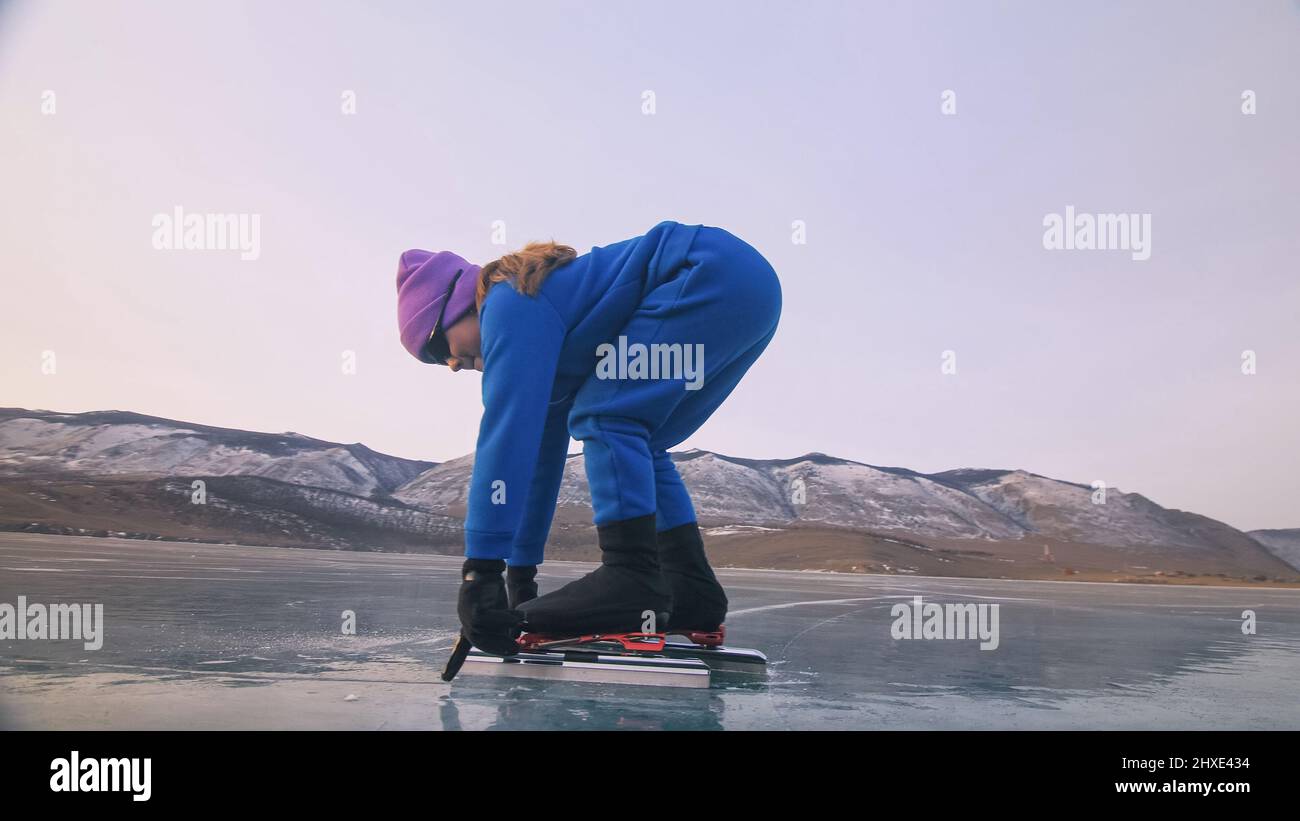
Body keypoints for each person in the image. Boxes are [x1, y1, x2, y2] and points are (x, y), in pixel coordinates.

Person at [395, 220, 781, 655]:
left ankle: (631, 577)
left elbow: (505, 434)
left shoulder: (507, 302)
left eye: (435, 345)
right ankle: (691, 592)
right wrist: (519, 576)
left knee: (606, 414)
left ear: (457, 305)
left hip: (706, 271)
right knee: (637, 436)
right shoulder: (544, 330)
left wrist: (479, 572)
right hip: (749, 288)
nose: (449, 363)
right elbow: (538, 456)